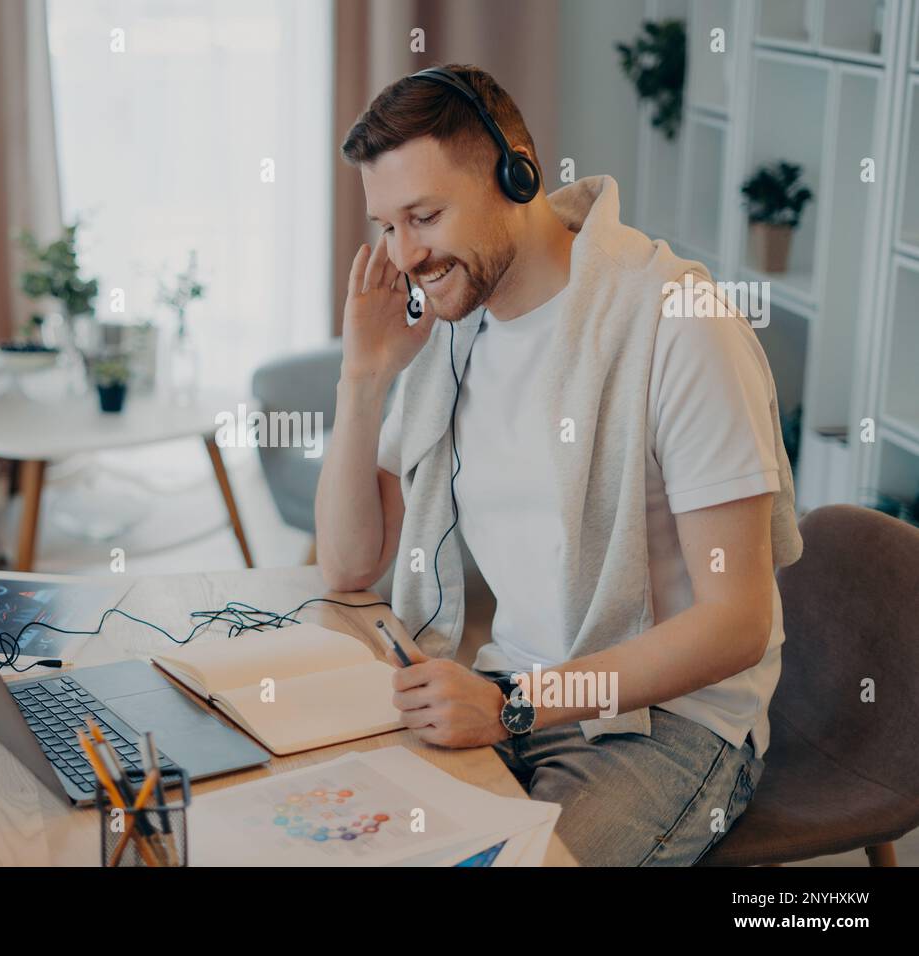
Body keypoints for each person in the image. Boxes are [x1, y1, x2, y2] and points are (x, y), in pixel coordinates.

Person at [315, 63, 804, 866]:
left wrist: (513, 705)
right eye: (387, 226)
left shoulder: (677, 326)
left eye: (424, 216)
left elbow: (737, 623)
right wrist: (363, 379)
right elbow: (347, 563)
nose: (404, 255)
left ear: (517, 173)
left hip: (667, 725)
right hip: (507, 689)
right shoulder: (457, 331)